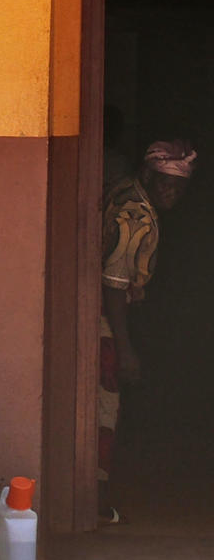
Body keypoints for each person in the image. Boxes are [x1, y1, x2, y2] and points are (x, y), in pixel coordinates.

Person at [98, 140, 195, 523]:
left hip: (116, 308)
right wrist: (125, 348)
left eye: (178, 185)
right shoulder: (136, 216)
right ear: (147, 176)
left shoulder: (125, 188)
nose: (169, 192)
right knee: (105, 408)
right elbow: (113, 284)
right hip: (106, 316)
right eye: (163, 183)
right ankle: (96, 498)